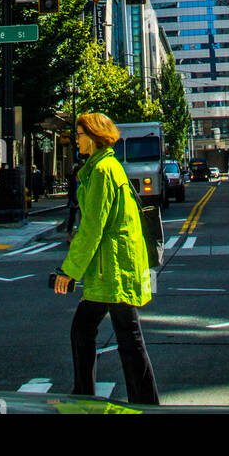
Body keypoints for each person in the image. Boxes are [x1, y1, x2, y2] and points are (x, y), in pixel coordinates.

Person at [53, 112, 159, 405]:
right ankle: (92, 393)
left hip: (112, 269)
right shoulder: (104, 167)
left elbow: (92, 227)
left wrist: (69, 271)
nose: (77, 140)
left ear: (95, 136)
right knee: (99, 332)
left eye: (80, 135)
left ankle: (140, 403)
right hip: (110, 267)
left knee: (125, 338)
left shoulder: (102, 171)